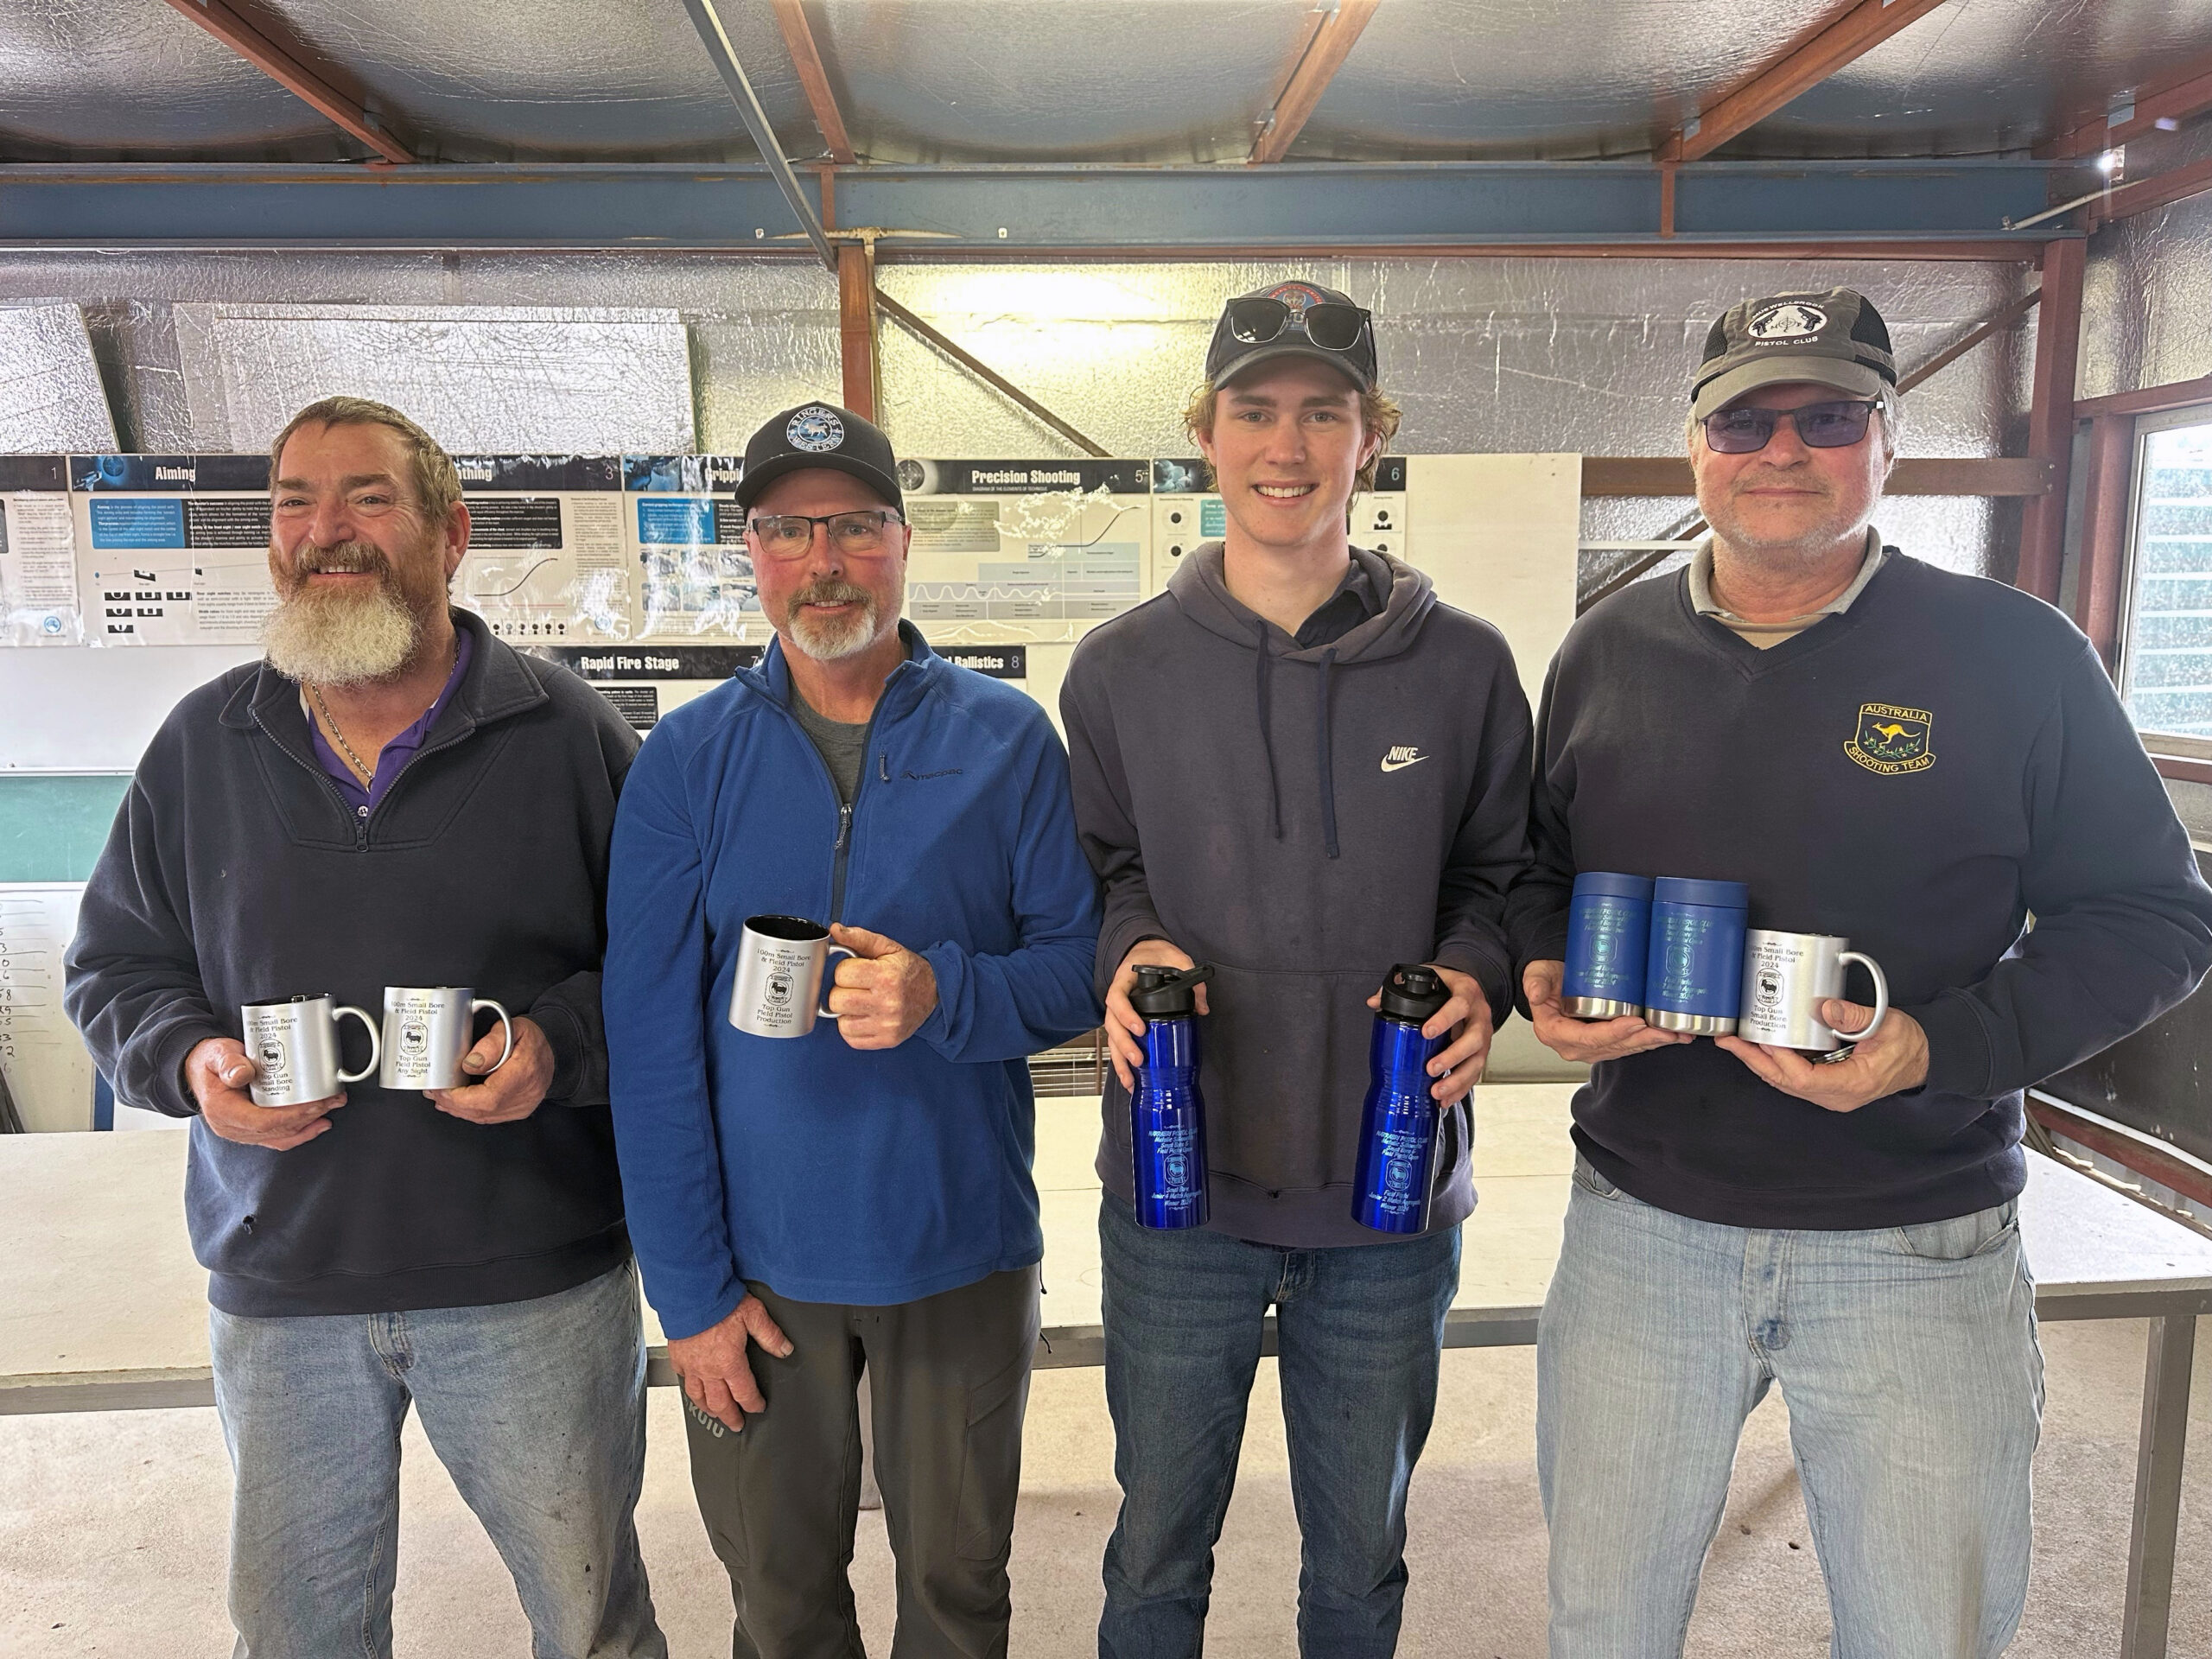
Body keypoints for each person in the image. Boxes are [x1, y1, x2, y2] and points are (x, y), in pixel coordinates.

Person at [1513, 286, 2212, 1658]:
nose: (1783, 450)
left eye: (1827, 417)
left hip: (1914, 1239)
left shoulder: (2016, 655)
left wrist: (1937, 1050)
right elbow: (1543, 866)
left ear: (1888, 442)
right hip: (1641, 1227)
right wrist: (1546, 970)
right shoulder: (1607, 648)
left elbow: (2152, 917)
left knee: (1923, 1630)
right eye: (1746, 419)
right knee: (1604, 1619)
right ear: (1695, 446)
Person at [64, 396, 661, 1658]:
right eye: (295, 501)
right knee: (296, 1638)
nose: (325, 530)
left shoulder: (565, 735)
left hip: (532, 1275)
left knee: (590, 1622)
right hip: (284, 1278)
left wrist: (555, 1045)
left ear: (452, 536)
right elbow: (115, 965)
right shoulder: (203, 744)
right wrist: (190, 1059)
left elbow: (662, 969)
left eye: (367, 498)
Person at [1058, 282, 1534, 1657]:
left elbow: (1500, 879)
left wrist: (1471, 970)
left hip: (1387, 1193)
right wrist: (1129, 942)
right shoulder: (1119, 670)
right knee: (1153, 1550)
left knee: (1361, 1559)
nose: (1287, 443)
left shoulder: (1465, 668)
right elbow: (1102, 870)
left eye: (1322, 413)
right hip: (1178, 1192)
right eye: (1255, 410)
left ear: (1370, 438)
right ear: (1204, 434)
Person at [603, 402, 1103, 1658]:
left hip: (960, 1254)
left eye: (853, 526)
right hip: (761, 1278)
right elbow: (649, 1046)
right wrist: (689, 1293)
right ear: (753, 555)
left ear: (902, 538)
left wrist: (947, 996)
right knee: (779, 1606)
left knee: (957, 1595)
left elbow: (1073, 974)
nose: (822, 560)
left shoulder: (1006, 740)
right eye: (786, 532)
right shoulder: (687, 760)